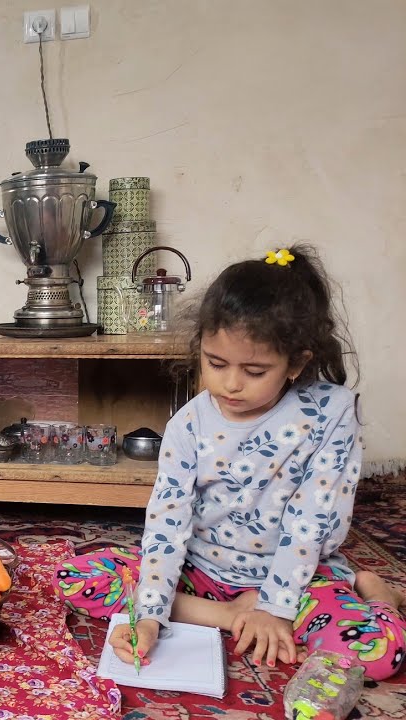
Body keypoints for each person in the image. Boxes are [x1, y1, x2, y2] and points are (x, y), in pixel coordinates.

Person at [54, 245, 405, 681]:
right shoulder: (188, 425)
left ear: (296, 364)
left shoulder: (330, 413)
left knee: (377, 654)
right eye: (215, 363)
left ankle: (379, 594)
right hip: (202, 573)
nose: (231, 384)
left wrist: (275, 609)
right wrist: (149, 617)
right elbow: (167, 524)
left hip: (295, 581)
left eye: (255, 372)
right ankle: (229, 615)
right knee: (76, 577)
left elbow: (311, 520)